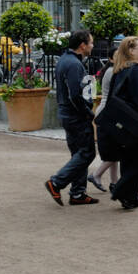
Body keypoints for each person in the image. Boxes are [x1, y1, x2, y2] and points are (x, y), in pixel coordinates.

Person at [102, 36, 138, 210]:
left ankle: (130, 196)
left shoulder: (120, 69)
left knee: (128, 157)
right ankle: (123, 190)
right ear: (131, 51)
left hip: (123, 122)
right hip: (136, 121)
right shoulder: (136, 70)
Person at [45, 29, 99, 207]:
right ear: (82, 45)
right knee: (87, 153)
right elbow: (75, 95)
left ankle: (78, 193)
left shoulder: (64, 60)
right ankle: (57, 182)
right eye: (90, 43)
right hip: (75, 115)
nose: (92, 45)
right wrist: (88, 113)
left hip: (67, 113)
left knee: (79, 153)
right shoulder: (74, 64)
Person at [88, 60, 120, 196]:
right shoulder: (112, 71)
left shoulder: (109, 70)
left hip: (106, 112)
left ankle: (114, 182)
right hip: (108, 113)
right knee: (116, 150)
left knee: (114, 148)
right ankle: (96, 174)